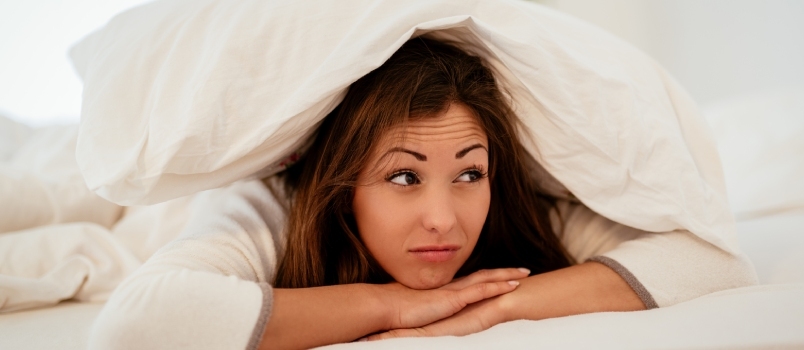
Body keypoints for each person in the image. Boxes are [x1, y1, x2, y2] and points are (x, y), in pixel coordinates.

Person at [89, 38, 756, 350]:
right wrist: (396, 307)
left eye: (469, 174)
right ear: (344, 182)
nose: (445, 218)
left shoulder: (520, 216)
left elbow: (714, 259)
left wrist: (493, 307)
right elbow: (138, 320)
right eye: (404, 176)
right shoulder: (273, 208)